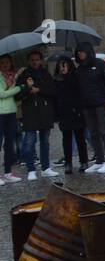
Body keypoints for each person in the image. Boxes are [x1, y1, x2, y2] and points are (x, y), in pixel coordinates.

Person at [74, 41, 105, 174]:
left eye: (82, 51)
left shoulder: (99, 64)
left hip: (101, 103)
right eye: (78, 52)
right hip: (87, 105)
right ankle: (99, 160)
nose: (80, 54)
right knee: (93, 133)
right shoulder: (79, 69)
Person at [15, 50, 58, 181]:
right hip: (30, 113)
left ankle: (46, 168)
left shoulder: (45, 74)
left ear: (40, 60)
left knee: (45, 142)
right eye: (32, 60)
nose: (35, 62)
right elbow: (18, 95)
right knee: (29, 142)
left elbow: (53, 91)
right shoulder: (24, 75)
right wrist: (27, 88)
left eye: (37, 59)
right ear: (29, 61)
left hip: (44, 111)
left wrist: (39, 89)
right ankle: (31, 169)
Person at [50, 55, 88, 172]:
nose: (62, 67)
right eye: (60, 65)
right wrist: (56, 115)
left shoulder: (75, 76)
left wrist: (67, 75)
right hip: (64, 112)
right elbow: (55, 98)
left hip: (76, 111)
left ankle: (84, 161)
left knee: (80, 138)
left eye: (65, 64)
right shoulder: (56, 79)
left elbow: (78, 90)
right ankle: (68, 163)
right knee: (66, 139)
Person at [0, 55, 22, 184]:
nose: (5, 65)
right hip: (0, 113)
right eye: (2, 63)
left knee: (9, 144)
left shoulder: (13, 76)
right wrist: (19, 88)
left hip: (11, 112)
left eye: (7, 62)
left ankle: (8, 172)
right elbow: (2, 94)